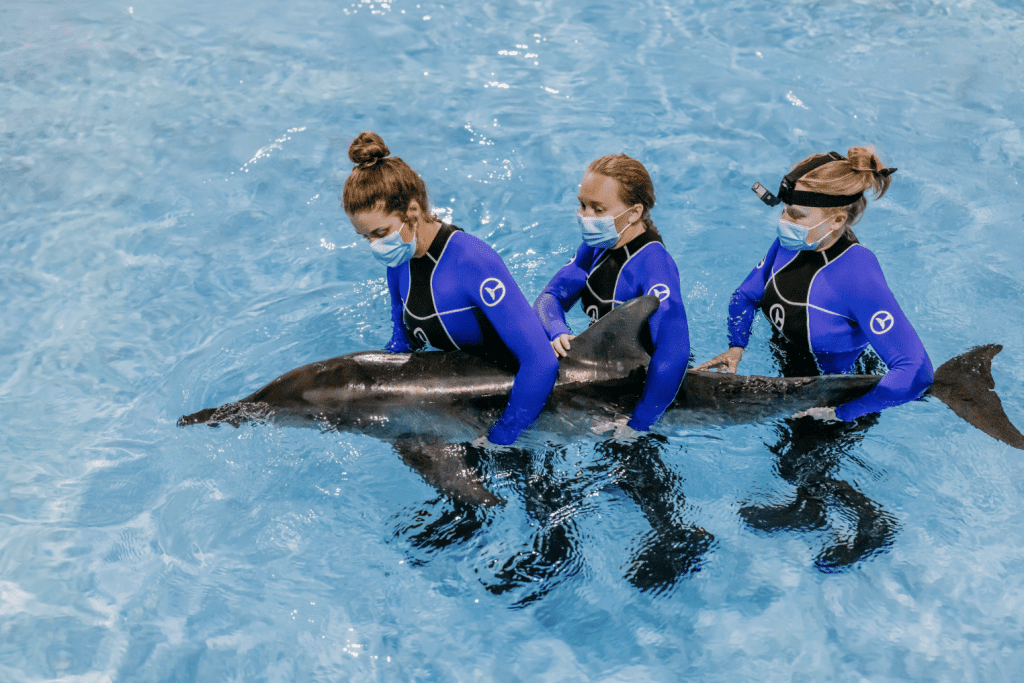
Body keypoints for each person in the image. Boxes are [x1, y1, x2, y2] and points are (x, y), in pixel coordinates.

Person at [342, 131, 558, 446]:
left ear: (413, 212)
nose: (376, 245)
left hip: (519, 407)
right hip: (462, 404)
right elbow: (401, 340)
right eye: (367, 238)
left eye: (381, 232)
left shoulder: (472, 262)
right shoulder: (398, 259)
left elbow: (541, 361)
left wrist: (503, 436)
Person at [696, 147, 934, 422]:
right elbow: (745, 296)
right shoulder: (791, 244)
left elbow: (916, 371)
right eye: (784, 211)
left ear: (836, 219)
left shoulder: (857, 273)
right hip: (788, 375)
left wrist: (840, 413)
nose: (783, 222)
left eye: (797, 216)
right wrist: (736, 346)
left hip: (832, 399)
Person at [533, 154, 690, 433]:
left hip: (650, 385)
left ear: (633, 213)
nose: (586, 217)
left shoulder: (655, 265)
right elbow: (550, 297)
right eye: (582, 205)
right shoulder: (595, 248)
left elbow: (672, 353)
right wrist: (557, 330)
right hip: (606, 360)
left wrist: (640, 422)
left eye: (598, 209)